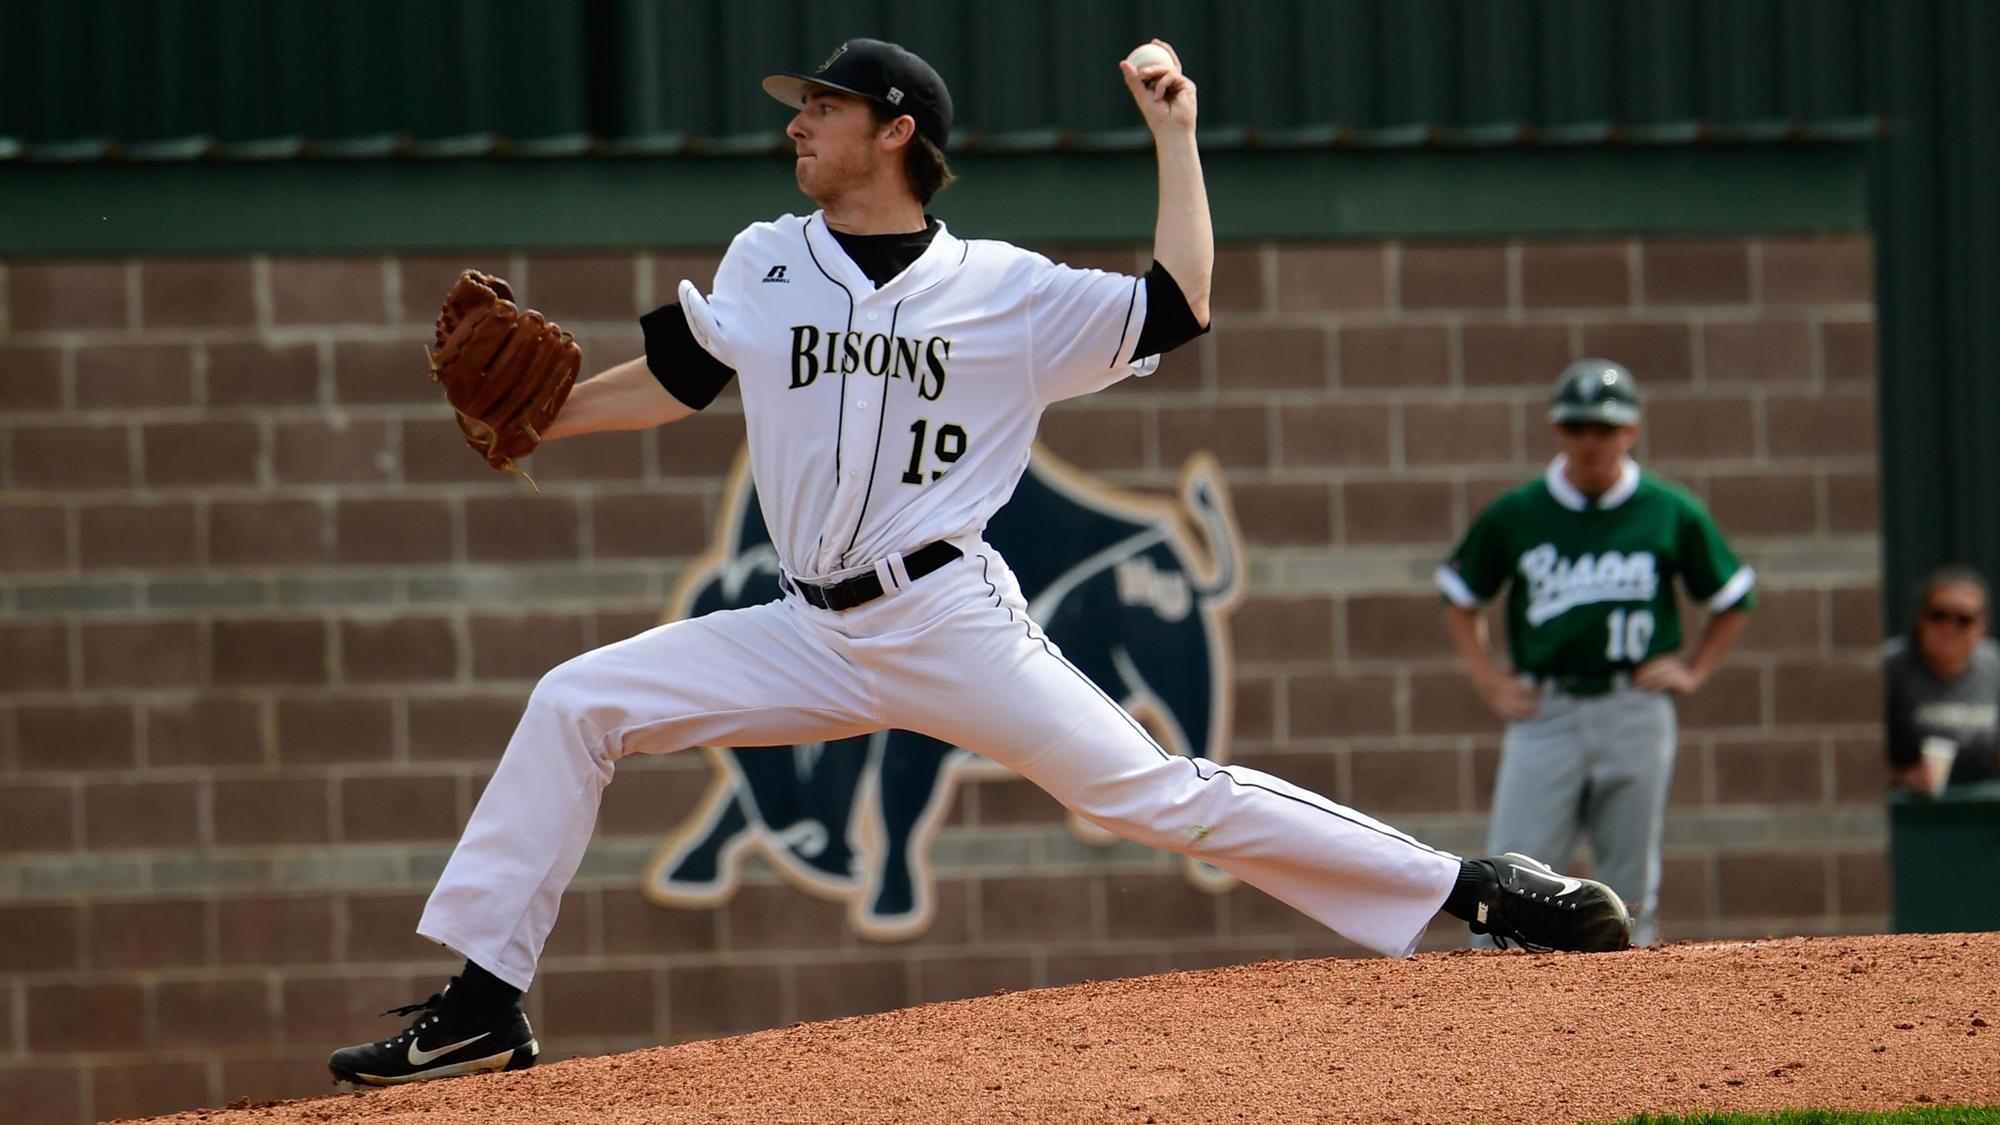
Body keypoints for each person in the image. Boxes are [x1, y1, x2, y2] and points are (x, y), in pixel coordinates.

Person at [328, 38, 1632, 1087]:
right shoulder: (765, 255)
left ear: (896, 129)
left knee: (1155, 794)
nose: (798, 126)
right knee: (577, 700)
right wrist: (544, 413)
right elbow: (683, 377)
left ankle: (1479, 889)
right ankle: (485, 1004)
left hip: (952, 617)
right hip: (805, 626)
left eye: (823, 108)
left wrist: (1175, 136)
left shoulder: (1005, 289)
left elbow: (1177, 304)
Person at [1436, 359, 1754, 948]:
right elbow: (1460, 597)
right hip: (1546, 707)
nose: (1590, 441)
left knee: (1632, 880)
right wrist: (1487, 678)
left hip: (1633, 703)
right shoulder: (1520, 511)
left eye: (1604, 429)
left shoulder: (1667, 509)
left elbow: (1733, 596)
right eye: (1577, 426)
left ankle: (1630, 1021)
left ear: (1630, 431)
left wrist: (1694, 669)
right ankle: (1486, 1012)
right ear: (1558, 429)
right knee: (1509, 873)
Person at [1884, 565, 2000, 793]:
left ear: (1982, 626)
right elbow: (1850, 760)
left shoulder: (1995, 666)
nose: (1949, 628)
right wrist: (1901, 778)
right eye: (1938, 616)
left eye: (1964, 619)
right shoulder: (1889, 668)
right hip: (1910, 816)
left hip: (1985, 812)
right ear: (1920, 619)